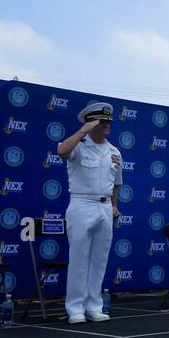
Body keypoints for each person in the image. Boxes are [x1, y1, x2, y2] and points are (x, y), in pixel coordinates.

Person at [57, 101, 122, 324]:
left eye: (108, 122)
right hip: (82, 203)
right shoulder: (78, 146)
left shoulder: (114, 151)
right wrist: (83, 131)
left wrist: (114, 205)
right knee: (79, 258)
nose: (106, 125)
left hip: (104, 206)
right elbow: (62, 150)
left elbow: (117, 182)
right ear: (90, 123)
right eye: (101, 122)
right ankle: (75, 308)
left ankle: (94, 305)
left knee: (99, 259)